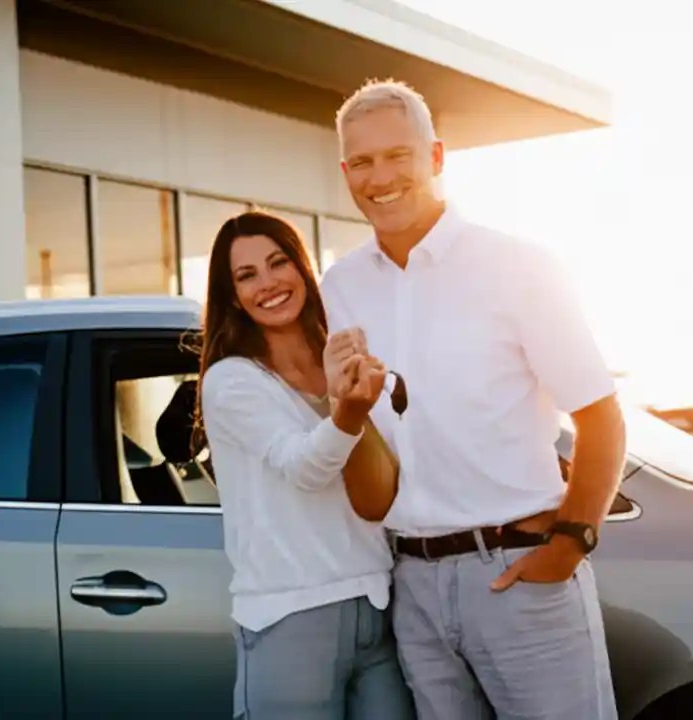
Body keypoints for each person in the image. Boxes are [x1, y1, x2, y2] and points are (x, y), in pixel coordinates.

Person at [320, 79, 629, 719]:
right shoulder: (340, 288)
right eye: (363, 162)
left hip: (519, 575)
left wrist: (571, 540)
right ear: (346, 172)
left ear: (434, 158)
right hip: (412, 584)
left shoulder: (515, 265)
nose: (381, 177)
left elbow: (600, 415)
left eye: (398, 155)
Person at [197, 211, 415, 719]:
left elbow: (395, 470)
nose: (268, 283)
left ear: (302, 268)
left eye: (278, 263)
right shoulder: (233, 381)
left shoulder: (344, 357)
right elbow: (304, 468)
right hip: (291, 617)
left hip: (376, 607)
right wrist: (349, 411)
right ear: (232, 296)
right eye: (247, 275)